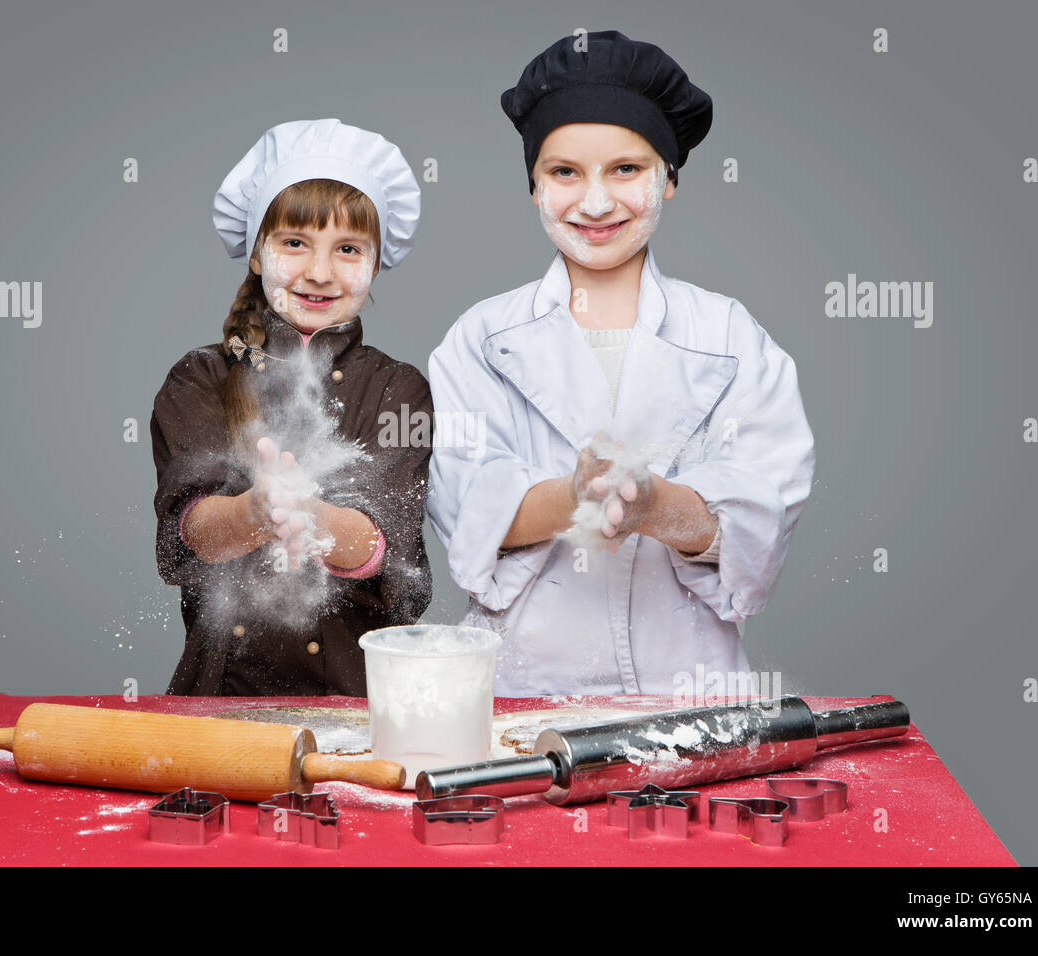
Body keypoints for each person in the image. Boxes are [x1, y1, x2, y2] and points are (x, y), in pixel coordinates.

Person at [426, 32, 816, 697]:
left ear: (669, 180)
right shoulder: (481, 338)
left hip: (693, 693)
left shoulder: (728, 335)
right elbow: (466, 513)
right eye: (565, 172)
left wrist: (655, 505)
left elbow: (760, 520)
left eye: (626, 169)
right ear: (533, 187)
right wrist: (576, 498)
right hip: (520, 692)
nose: (597, 202)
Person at [152, 118, 433, 696]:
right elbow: (191, 534)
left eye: (348, 249)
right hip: (220, 703)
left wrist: (314, 519)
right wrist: (255, 513)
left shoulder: (396, 390)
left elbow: (389, 548)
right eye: (295, 243)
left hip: (357, 706)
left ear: (376, 263)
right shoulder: (199, 379)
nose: (320, 272)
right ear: (258, 253)